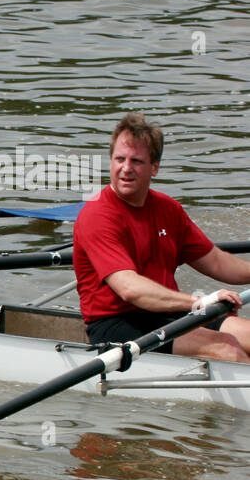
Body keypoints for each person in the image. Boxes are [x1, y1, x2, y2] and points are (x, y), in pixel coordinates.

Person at [73, 112, 250, 361]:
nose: (126, 169)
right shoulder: (98, 215)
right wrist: (201, 301)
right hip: (116, 323)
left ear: (154, 167)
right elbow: (130, 289)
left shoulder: (168, 209)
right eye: (119, 159)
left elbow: (218, 262)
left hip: (165, 312)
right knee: (226, 347)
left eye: (136, 161)